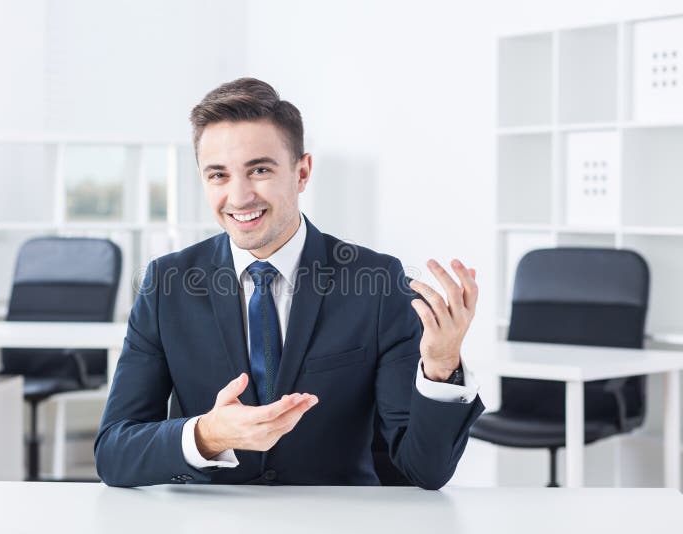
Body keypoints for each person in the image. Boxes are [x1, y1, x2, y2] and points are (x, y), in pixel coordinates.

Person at [94, 78, 484, 488]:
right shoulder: (165, 286)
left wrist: (441, 368)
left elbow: (424, 471)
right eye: (218, 175)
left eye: (259, 170)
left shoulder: (378, 284)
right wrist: (207, 436)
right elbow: (115, 453)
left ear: (302, 172)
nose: (240, 196)